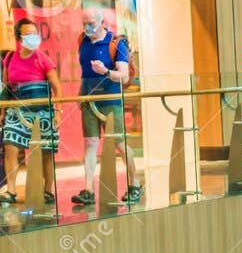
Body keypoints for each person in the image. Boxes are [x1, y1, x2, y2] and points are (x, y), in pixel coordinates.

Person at [75, 11, 142, 207]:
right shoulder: (82, 41)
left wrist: (105, 71)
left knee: (119, 144)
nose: (87, 27)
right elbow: (84, 73)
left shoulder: (116, 44)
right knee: (90, 144)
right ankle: (88, 189)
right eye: (84, 23)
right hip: (89, 100)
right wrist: (81, 95)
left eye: (91, 23)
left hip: (111, 100)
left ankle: (135, 183)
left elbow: (123, 76)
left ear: (102, 22)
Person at [1, 19, 62, 206]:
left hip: (42, 112)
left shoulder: (43, 59)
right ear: (19, 38)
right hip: (17, 110)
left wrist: (58, 112)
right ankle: (10, 190)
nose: (33, 37)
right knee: (10, 146)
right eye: (28, 34)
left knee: (46, 152)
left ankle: (48, 191)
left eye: (35, 33)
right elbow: (6, 88)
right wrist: (3, 111)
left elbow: (57, 89)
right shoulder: (9, 59)